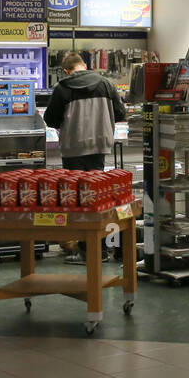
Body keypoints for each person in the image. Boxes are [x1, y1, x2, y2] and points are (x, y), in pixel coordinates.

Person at [44, 53, 127, 263]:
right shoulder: (105, 84)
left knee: (79, 200)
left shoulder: (62, 88)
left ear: (66, 71)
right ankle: (101, 248)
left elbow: (50, 119)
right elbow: (120, 113)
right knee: (98, 198)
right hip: (99, 146)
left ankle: (87, 251)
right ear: (86, 66)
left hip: (73, 148)